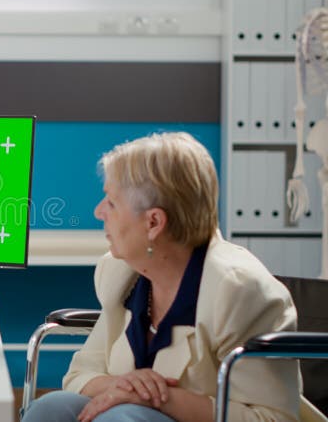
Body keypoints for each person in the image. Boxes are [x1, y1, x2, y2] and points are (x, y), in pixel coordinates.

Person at [22, 132, 314, 422]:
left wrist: (159, 398)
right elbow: (79, 375)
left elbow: (272, 418)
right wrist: (122, 387)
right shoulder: (120, 274)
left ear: (154, 222)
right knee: (52, 408)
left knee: (122, 419)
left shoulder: (239, 291)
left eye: (111, 202)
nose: (99, 212)